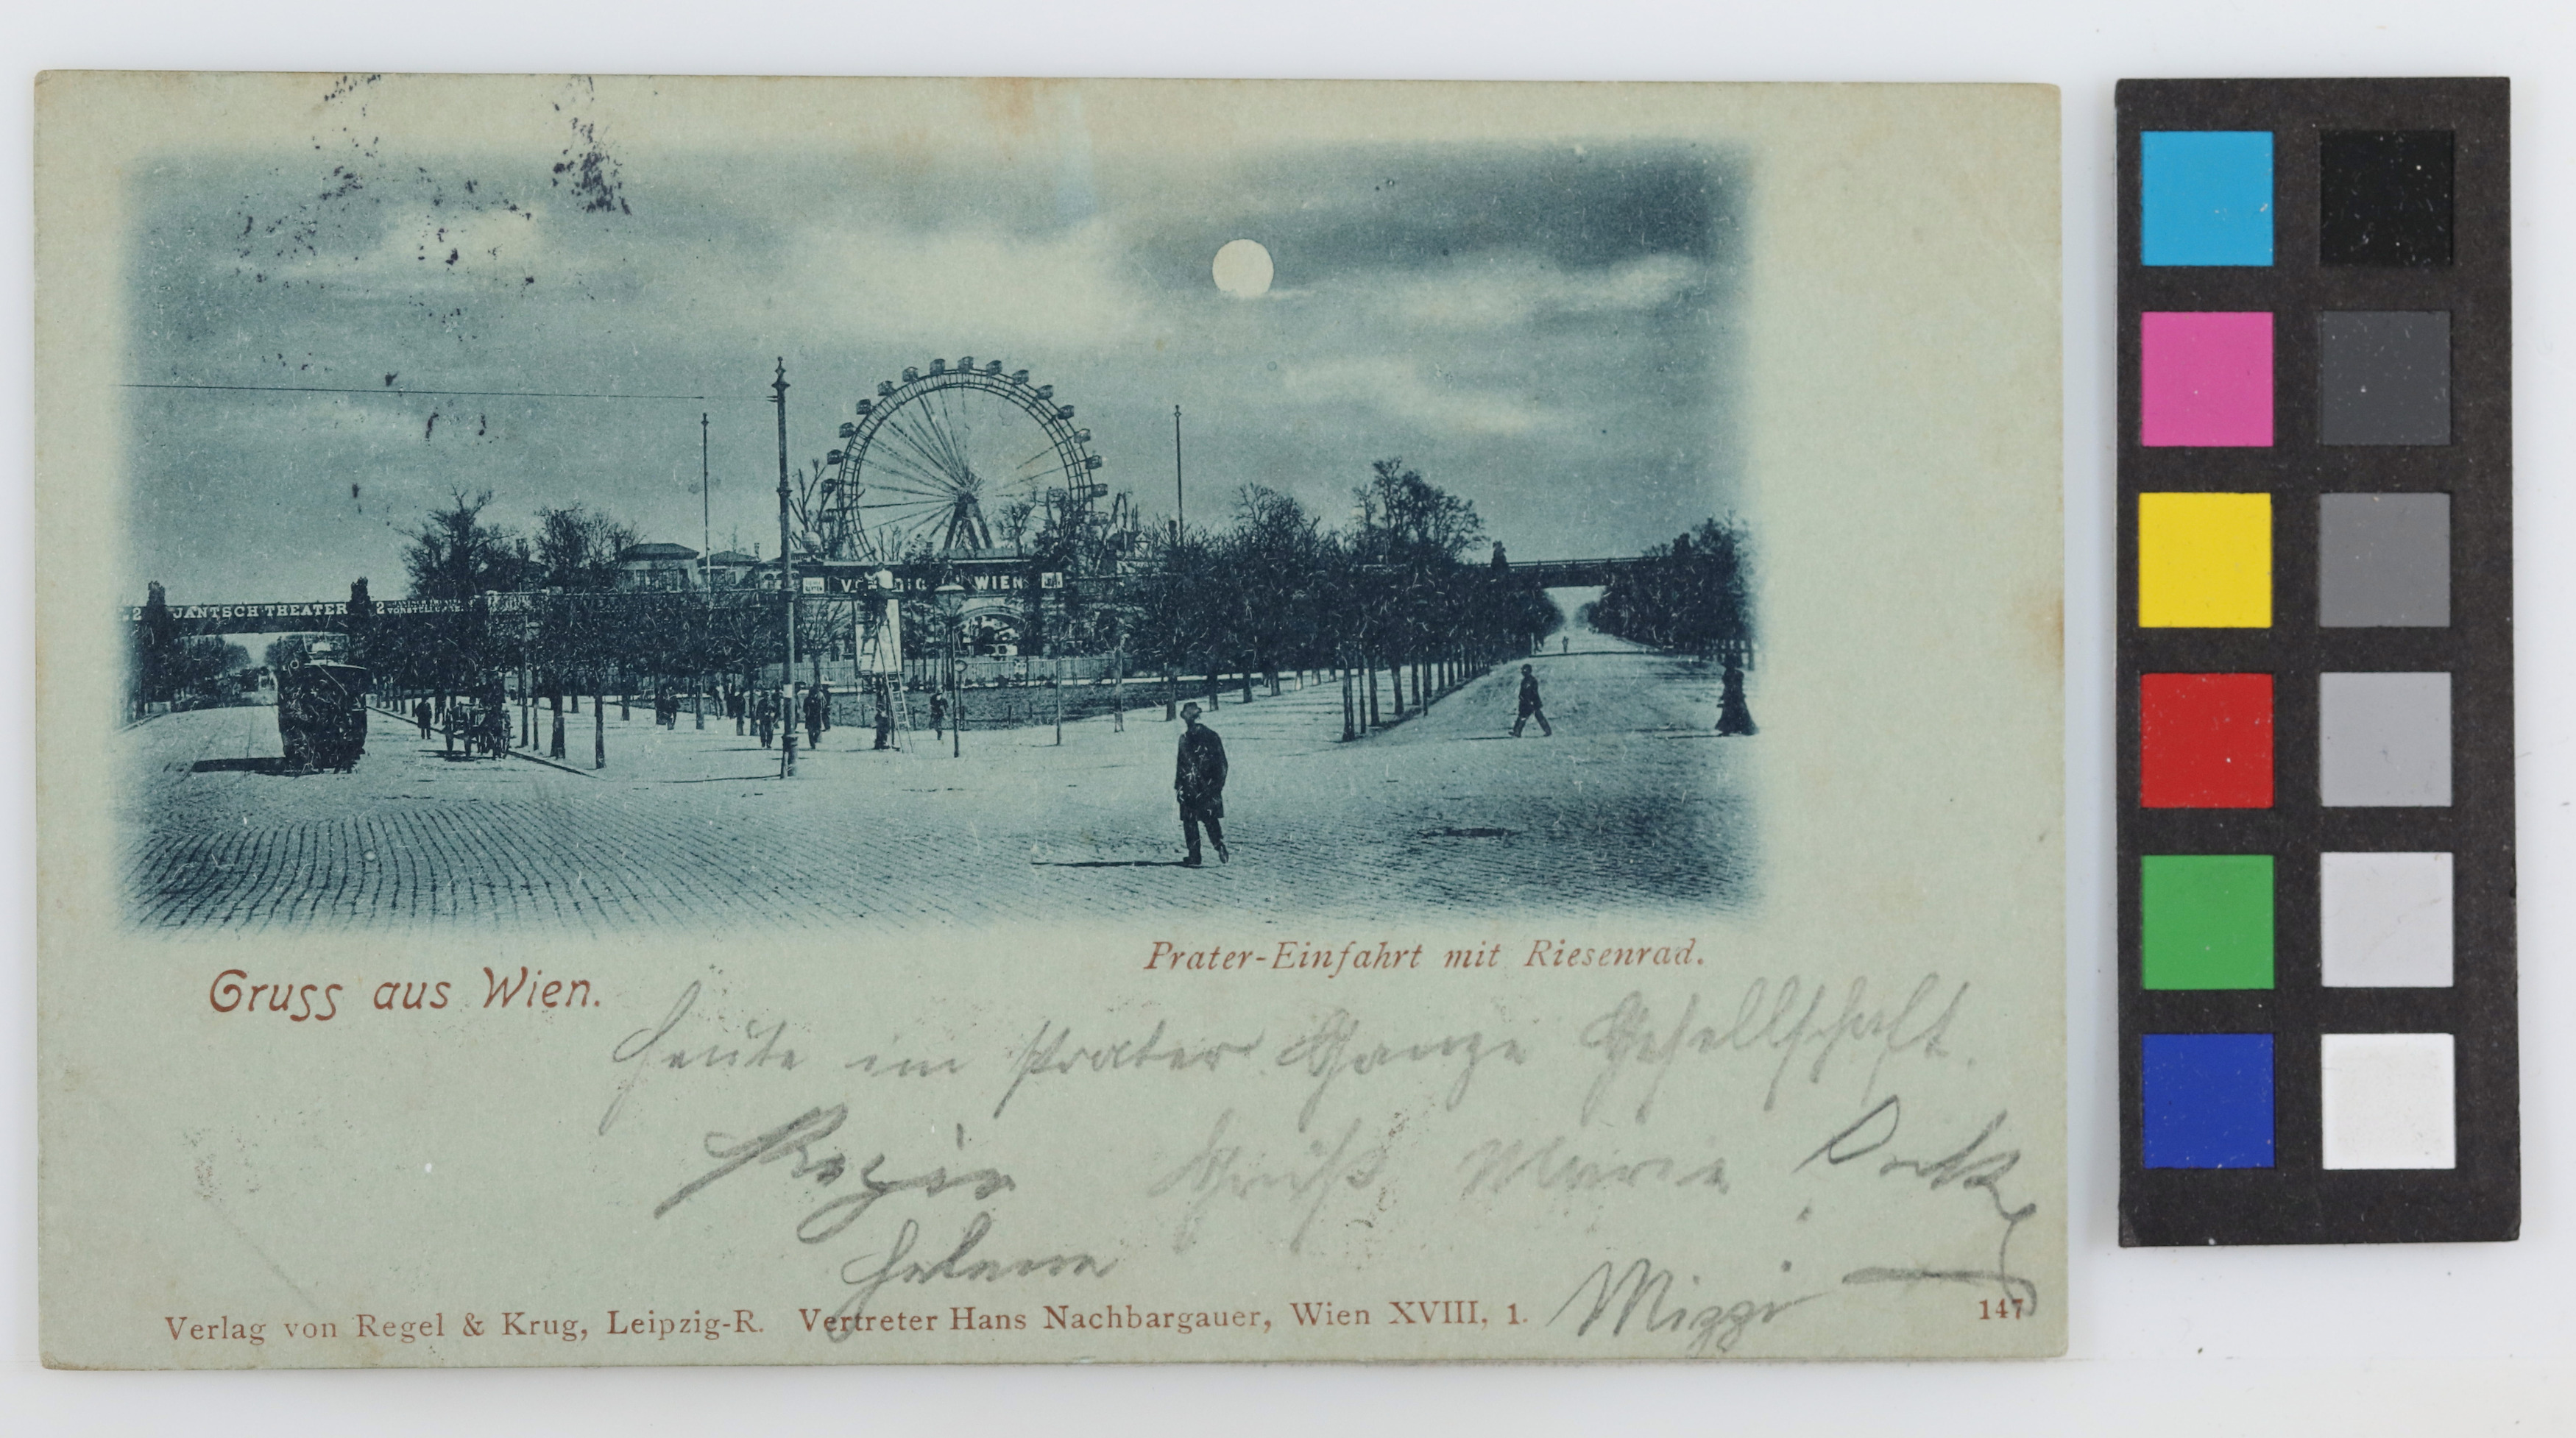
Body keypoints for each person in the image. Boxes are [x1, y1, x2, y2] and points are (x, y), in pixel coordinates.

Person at [1174, 701, 1230, 867]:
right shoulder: (1212, 735)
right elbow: (1222, 762)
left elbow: (1181, 766)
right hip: (1209, 785)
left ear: (1186, 719)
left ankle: (1195, 856)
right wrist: (1217, 785)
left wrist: (1179, 787)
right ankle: (1219, 844)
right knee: (1210, 818)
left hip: (1190, 785)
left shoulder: (1184, 739)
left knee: (1190, 822)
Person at [1511, 664, 1553, 737]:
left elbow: (1531, 692)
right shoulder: (1526, 680)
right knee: (1523, 716)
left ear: (1529, 671)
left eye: (1525, 670)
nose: (1523, 672)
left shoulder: (1531, 680)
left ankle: (1547, 731)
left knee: (1536, 716)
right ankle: (1517, 731)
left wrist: (1530, 701)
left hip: (1532, 701)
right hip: (1527, 702)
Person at [804, 684, 826, 751]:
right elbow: (804, 708)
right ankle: (812, 744)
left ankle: (815, 739)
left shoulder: (819, 698)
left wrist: (822, 710)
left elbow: (824, 704)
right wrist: (807, 712)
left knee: (818, 731)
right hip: (810, 717)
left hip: (817, 716)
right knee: (810, 732)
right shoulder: (807, 699)